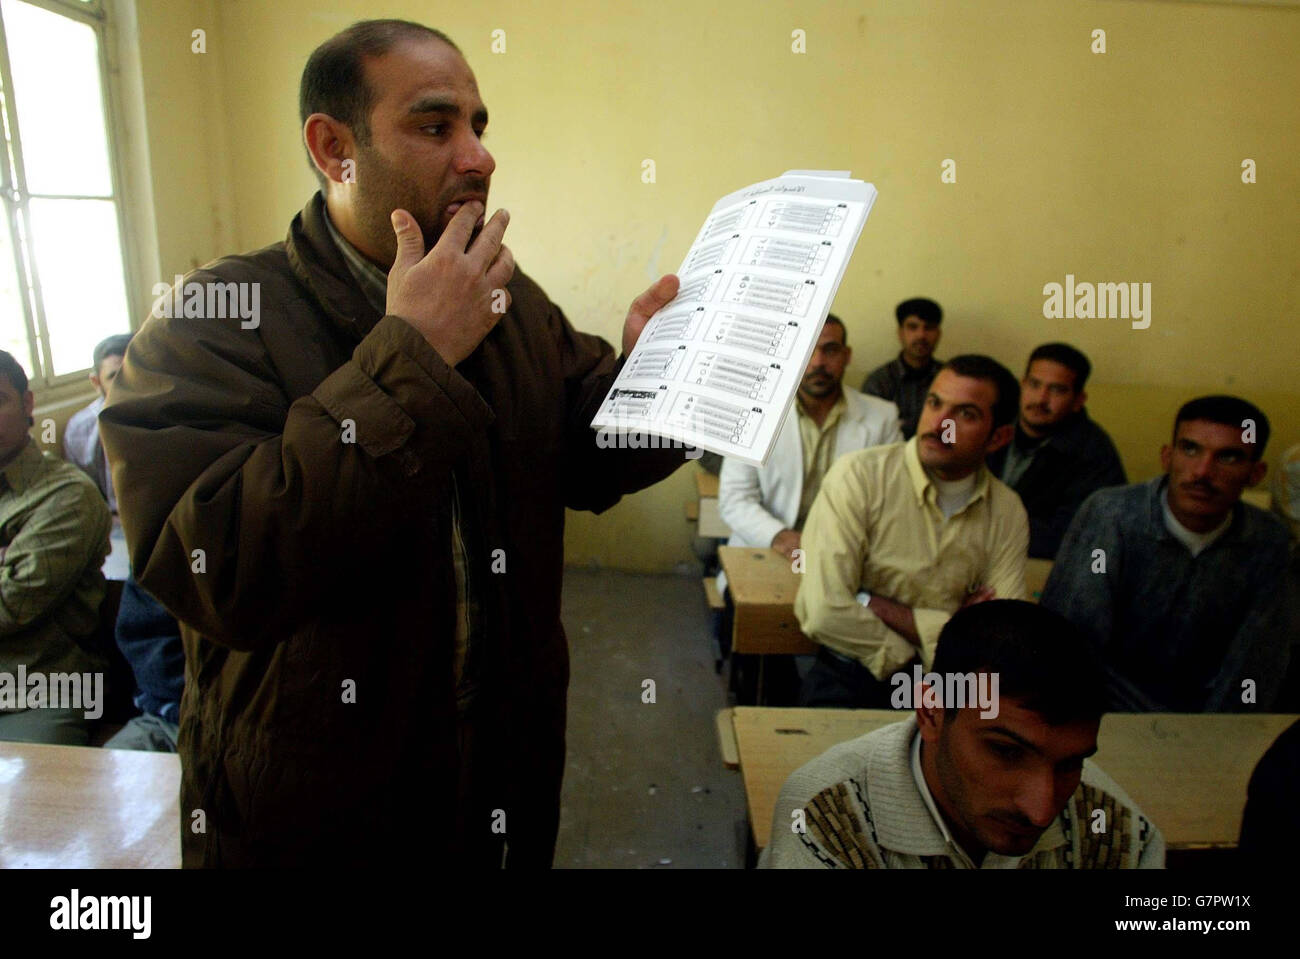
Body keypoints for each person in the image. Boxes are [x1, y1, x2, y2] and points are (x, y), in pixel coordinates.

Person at [99, 19, 685, 867]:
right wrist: (411, 356)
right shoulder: (214, 320)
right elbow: (217, 566)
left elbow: (587, 453)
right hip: (314, 814)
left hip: (499, 786)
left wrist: (658, 374)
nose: (478, 155)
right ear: (334, 148)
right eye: (436, 125)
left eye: (479, 127)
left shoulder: (507, 302)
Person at [761, 600, 1164, 868]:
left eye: (1070, 764)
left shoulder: (1119, 832)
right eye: (1006, 752)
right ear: (931, 711)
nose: (1041, 810)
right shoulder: (825, 819)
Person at [794, 355, 1029, 708]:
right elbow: (824, 610)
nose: (939, 423)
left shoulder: (1007, 509)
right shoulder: (859, 477)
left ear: (999, 438)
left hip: (954, 690)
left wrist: (873, 601)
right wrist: (937, 640)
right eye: (935, 403)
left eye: (966, 414)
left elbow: (1001, 636)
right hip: (853, 678)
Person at [1042, 395, 1293, 712]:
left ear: (1255, 473)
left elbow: (1256, 663)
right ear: (1167, 456)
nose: (1202, 472)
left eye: (1228, 457)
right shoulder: (1111, 516)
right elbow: (1069, 644)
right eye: (1190, 449)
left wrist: (1220, 738)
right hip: (1098, 713)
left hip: (1205, 728)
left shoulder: (1268, 542)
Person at [717, 315, 900, 701]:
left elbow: (891, 502)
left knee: (857, 632)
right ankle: (767, 709)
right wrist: (783, 537)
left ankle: (825, 701)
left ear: (846, 356)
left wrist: (835, 547)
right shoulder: (754, 412)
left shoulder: (881, 417)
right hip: (771, 549)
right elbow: (735, 499)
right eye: (807, 351)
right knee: (758, 627)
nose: (818, 362)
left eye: (830, 350)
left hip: (849, 553)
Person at [0, 351, 111, 745]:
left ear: (28, 404)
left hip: (40, 690)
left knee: (25, 803)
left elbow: (12, 605)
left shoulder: (67, 494)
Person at [985, 343, 1125, 559]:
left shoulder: (1094, 453)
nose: (1041, 399)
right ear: (1022, 385)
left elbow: (1074, 537)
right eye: (1034, 384)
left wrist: (983, 527)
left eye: (1057, 390)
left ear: (1078, 401)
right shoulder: (992, 423)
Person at [64, 333, 132, 516]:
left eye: (131, 374)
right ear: (96, 382)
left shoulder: (166, 414)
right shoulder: (80, 430)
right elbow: (86, 499)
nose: (124, 385)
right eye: (113, 377)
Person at [860, 297, 943, 439]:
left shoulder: (951, 380)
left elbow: (952, 432)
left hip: (942, 457)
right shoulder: (879, 382)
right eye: (913, 327)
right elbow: (871, 437)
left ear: (938, 334)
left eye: (928, 328)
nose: (921, 335)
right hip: (891, 458)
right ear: (900, 333)